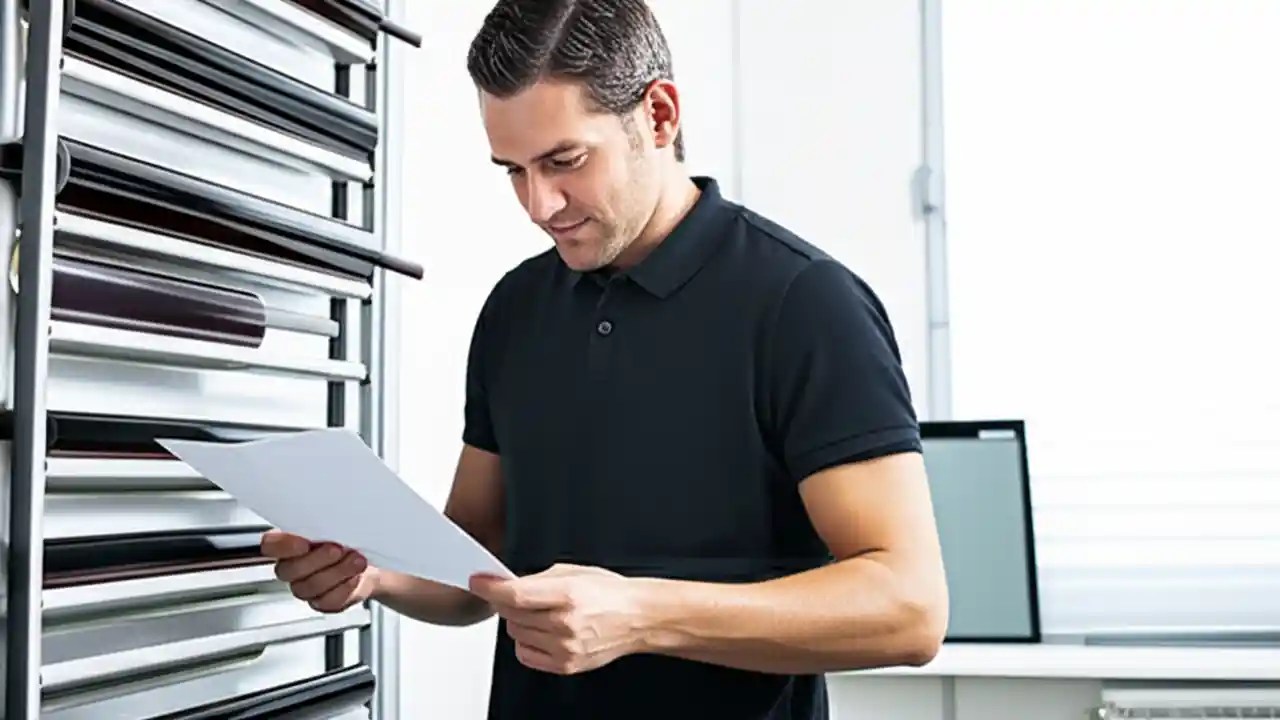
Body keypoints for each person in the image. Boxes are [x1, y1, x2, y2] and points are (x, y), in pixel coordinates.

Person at [261, 0, 949, 717]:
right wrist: (379, 572)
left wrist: (641, 615)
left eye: (564, 161)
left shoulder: (805, 304)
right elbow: (479, 551)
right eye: (513, 171)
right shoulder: (515, 310)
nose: (539, 203)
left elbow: (908, 607)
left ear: (658, 116)